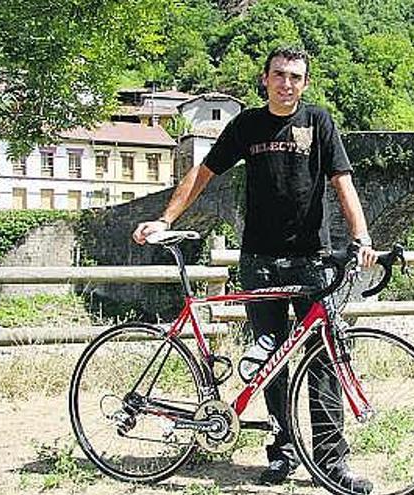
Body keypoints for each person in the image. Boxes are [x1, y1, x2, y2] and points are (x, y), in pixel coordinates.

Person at [132, 46, 376, 493]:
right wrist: (166, 219)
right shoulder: (246, 124)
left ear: (305, 82)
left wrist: (361, 237)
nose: (287, 83)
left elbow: (343, 182)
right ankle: (283, 452)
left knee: (322, 359)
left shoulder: (318, 122)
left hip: (312, 260)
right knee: (270, 360)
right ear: (264, 79)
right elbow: (203, 174)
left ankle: (330, 462)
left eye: (296, 77)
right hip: (260, 262)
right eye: (279, 75)